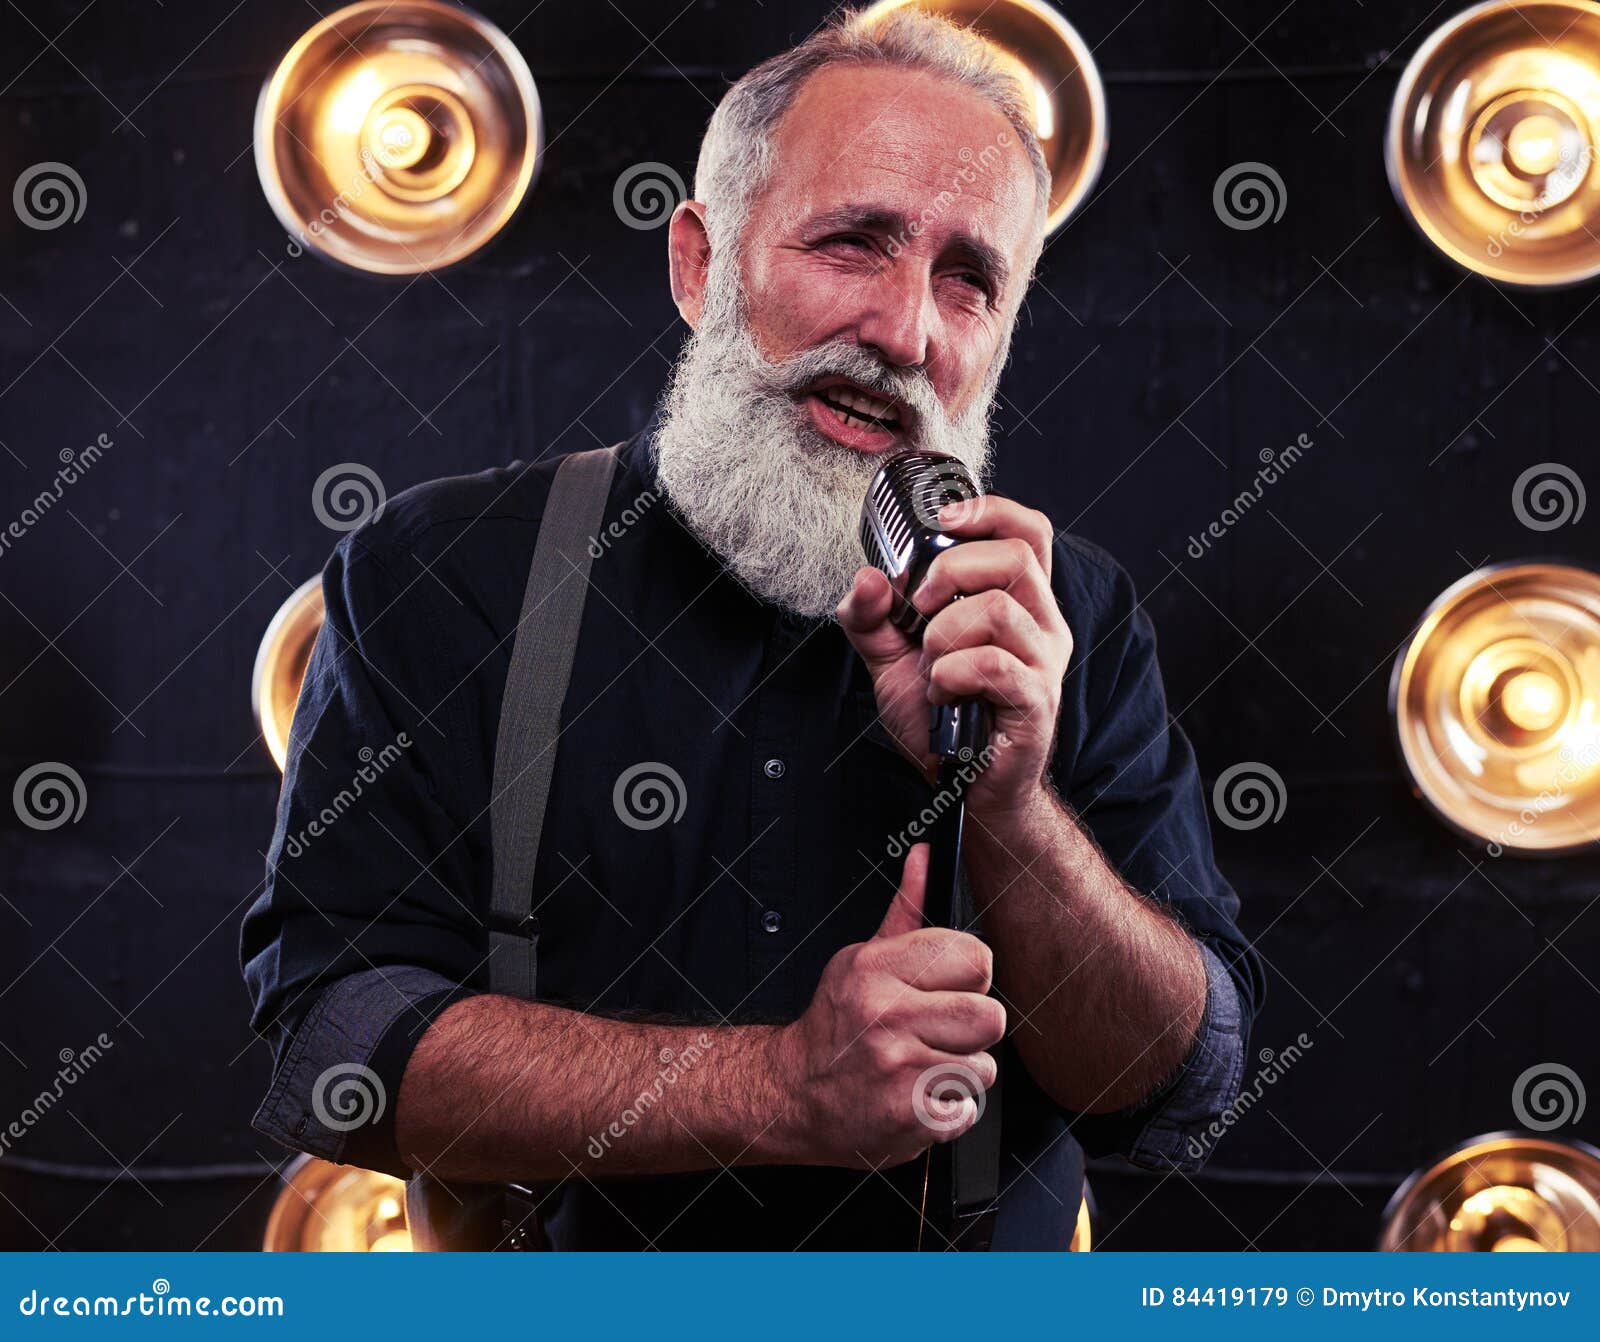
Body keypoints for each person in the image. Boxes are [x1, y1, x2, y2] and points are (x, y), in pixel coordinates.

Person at [241, 7, 1263, 1251]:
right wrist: (781, 1090)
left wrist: (1010, 807)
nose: (906, 332)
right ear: (698, 263)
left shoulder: (1067, 615)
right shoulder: (445, 571)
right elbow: (332, 1043)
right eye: (853, 244)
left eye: (967, 279)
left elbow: (1179, 1078)